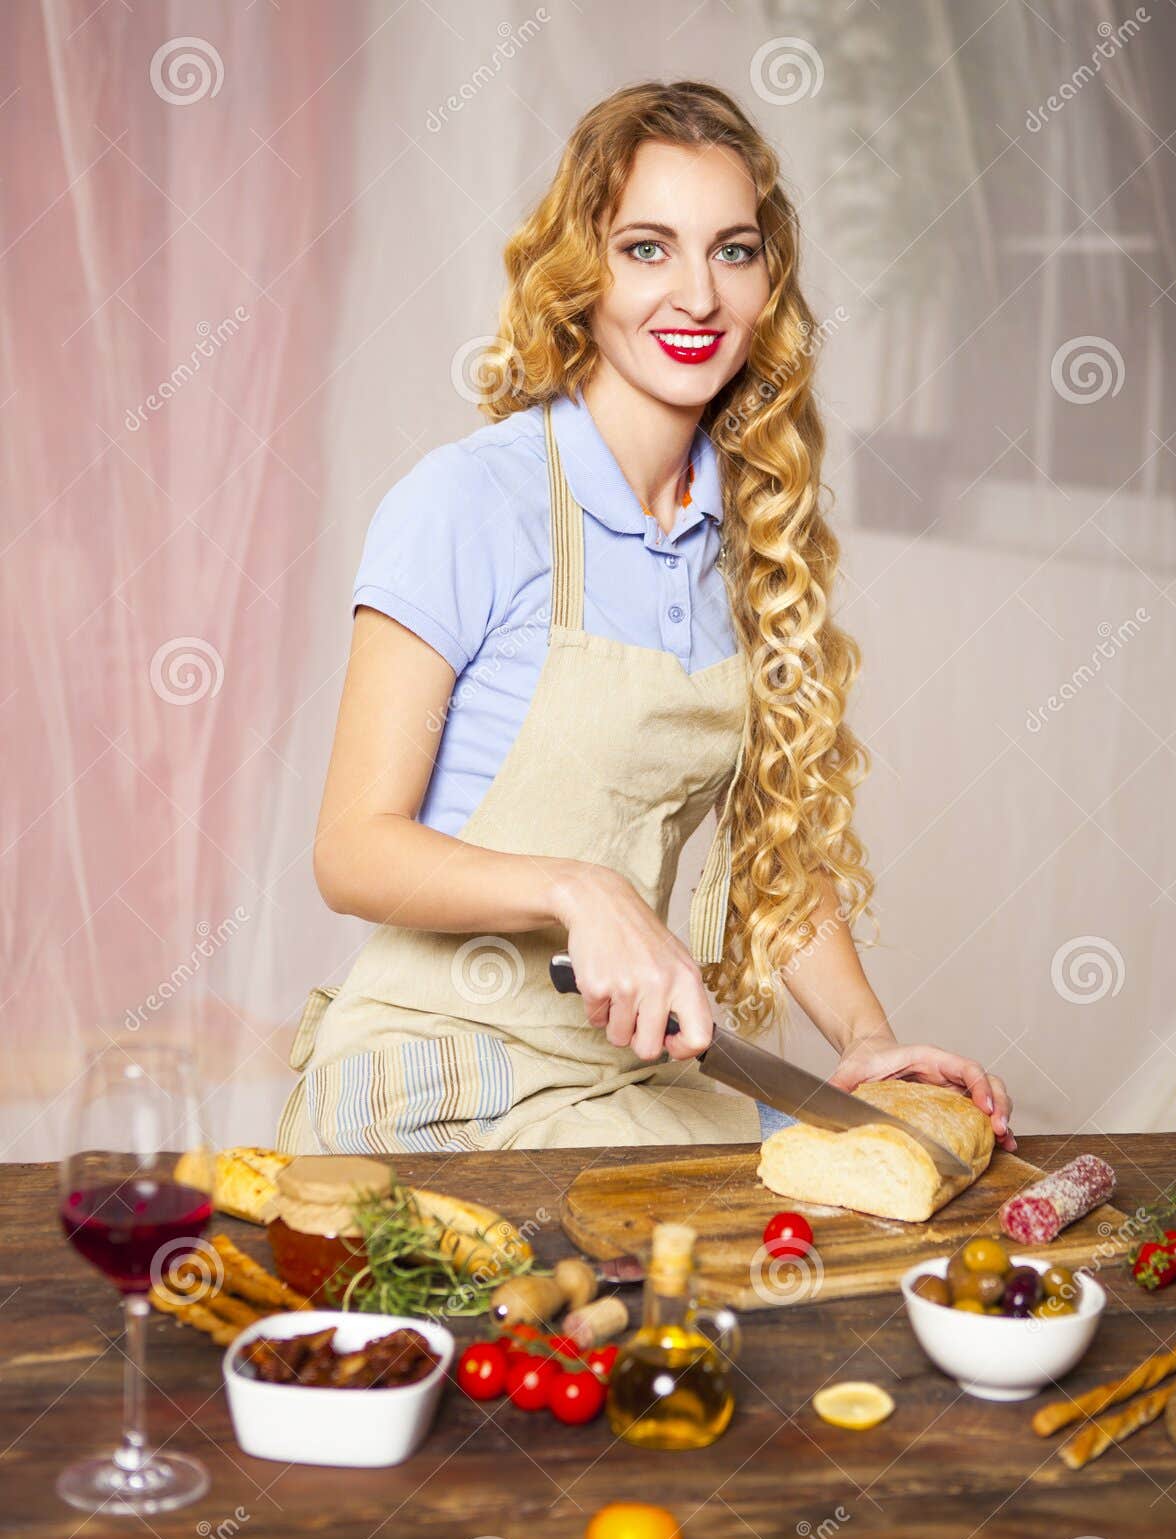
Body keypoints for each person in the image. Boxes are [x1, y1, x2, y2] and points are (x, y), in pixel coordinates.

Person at [275, 80, 1015, 1156]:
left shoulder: (753, 536)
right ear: (582, 273)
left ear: (770, 284)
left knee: (869, 1190)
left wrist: (865, 1036)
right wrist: (580, 891)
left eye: (733, 250)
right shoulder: (471, 501)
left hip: (626, 1080)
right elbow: (350, 850)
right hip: (435, 1076)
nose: (698, 296)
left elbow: (780, 847)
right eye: (647, 247)